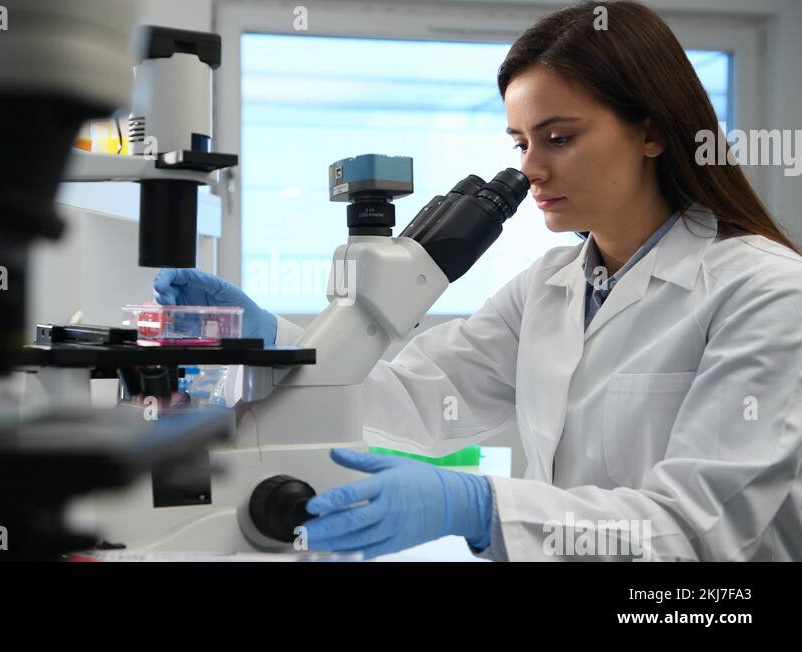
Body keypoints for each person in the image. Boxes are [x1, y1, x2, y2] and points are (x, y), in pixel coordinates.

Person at [153, 0, 802, 561]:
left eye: (558, 137)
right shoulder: (551, 285)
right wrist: (272, 341)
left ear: (652, 132)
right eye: (519, 142)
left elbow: (698, 533)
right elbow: (413, 399)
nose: (532, 168)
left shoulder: (767, 292)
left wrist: (480, 506)